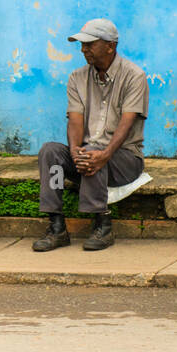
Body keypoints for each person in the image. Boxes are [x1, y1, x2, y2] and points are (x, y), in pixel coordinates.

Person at [33, 18, 148, 252]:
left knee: (94, 153)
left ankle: (102, 224)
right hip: (89, 156)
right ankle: (56, 225)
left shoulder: (134, 76)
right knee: (51, 153)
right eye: (82, 45)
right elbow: (75, 119)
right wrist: (74, 149)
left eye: (89, 44)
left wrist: (105, 153)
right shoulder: (77, 77)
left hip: (124, 160)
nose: (83, 50)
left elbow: (127, 123)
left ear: (110, 46)